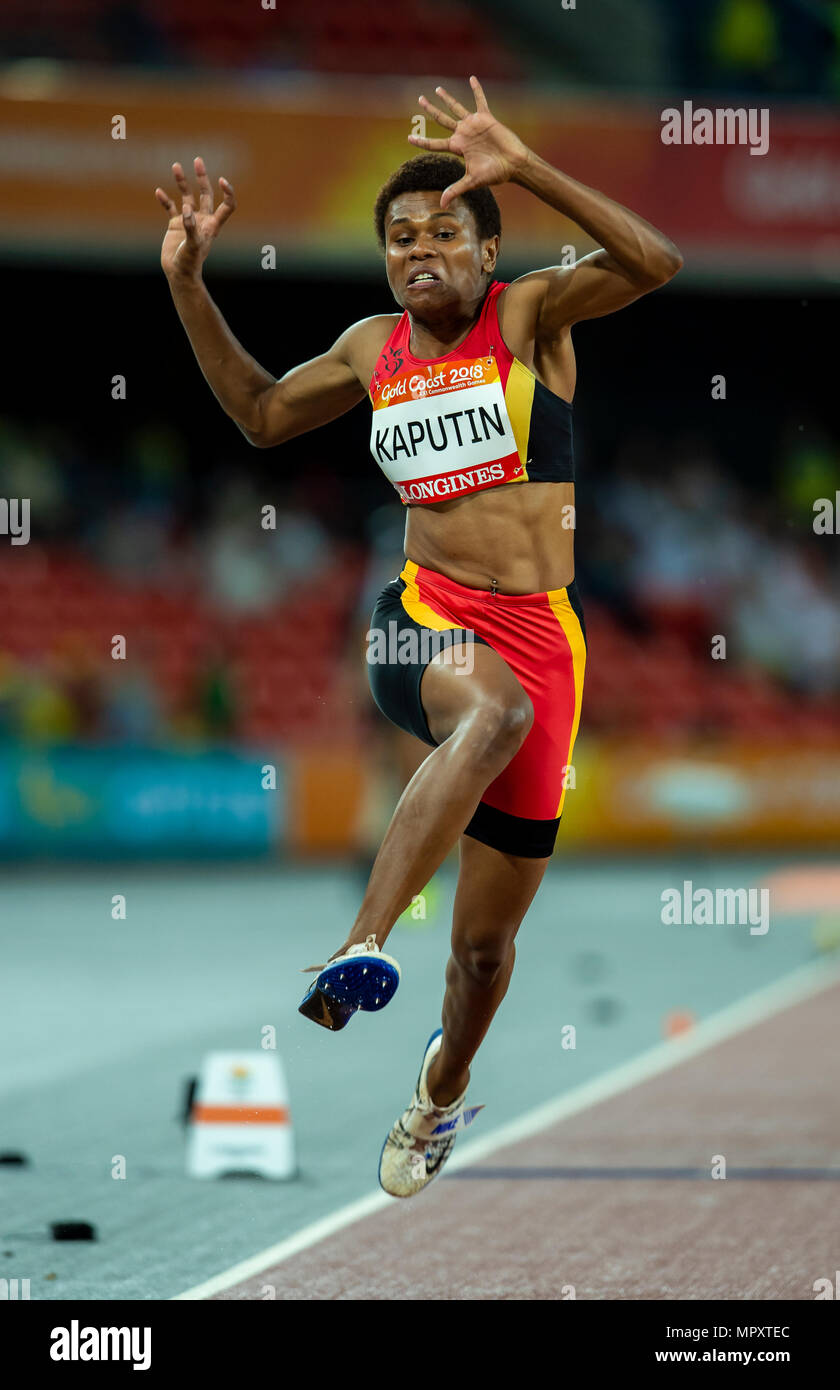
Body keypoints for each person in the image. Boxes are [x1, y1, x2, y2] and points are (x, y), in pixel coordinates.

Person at [155, 75, 682, 1199]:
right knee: (493, 712)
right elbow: (257, 413)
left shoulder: (532, 315)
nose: (418, 249)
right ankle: (359, 948)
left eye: (446, 229)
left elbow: (655, 264)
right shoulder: (366, 348)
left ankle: (438, 1093)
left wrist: (529, 165)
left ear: (490, 250)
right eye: (400, 237)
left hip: (543, 633)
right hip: (420, 620)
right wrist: (189, 285)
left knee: (487, 953)